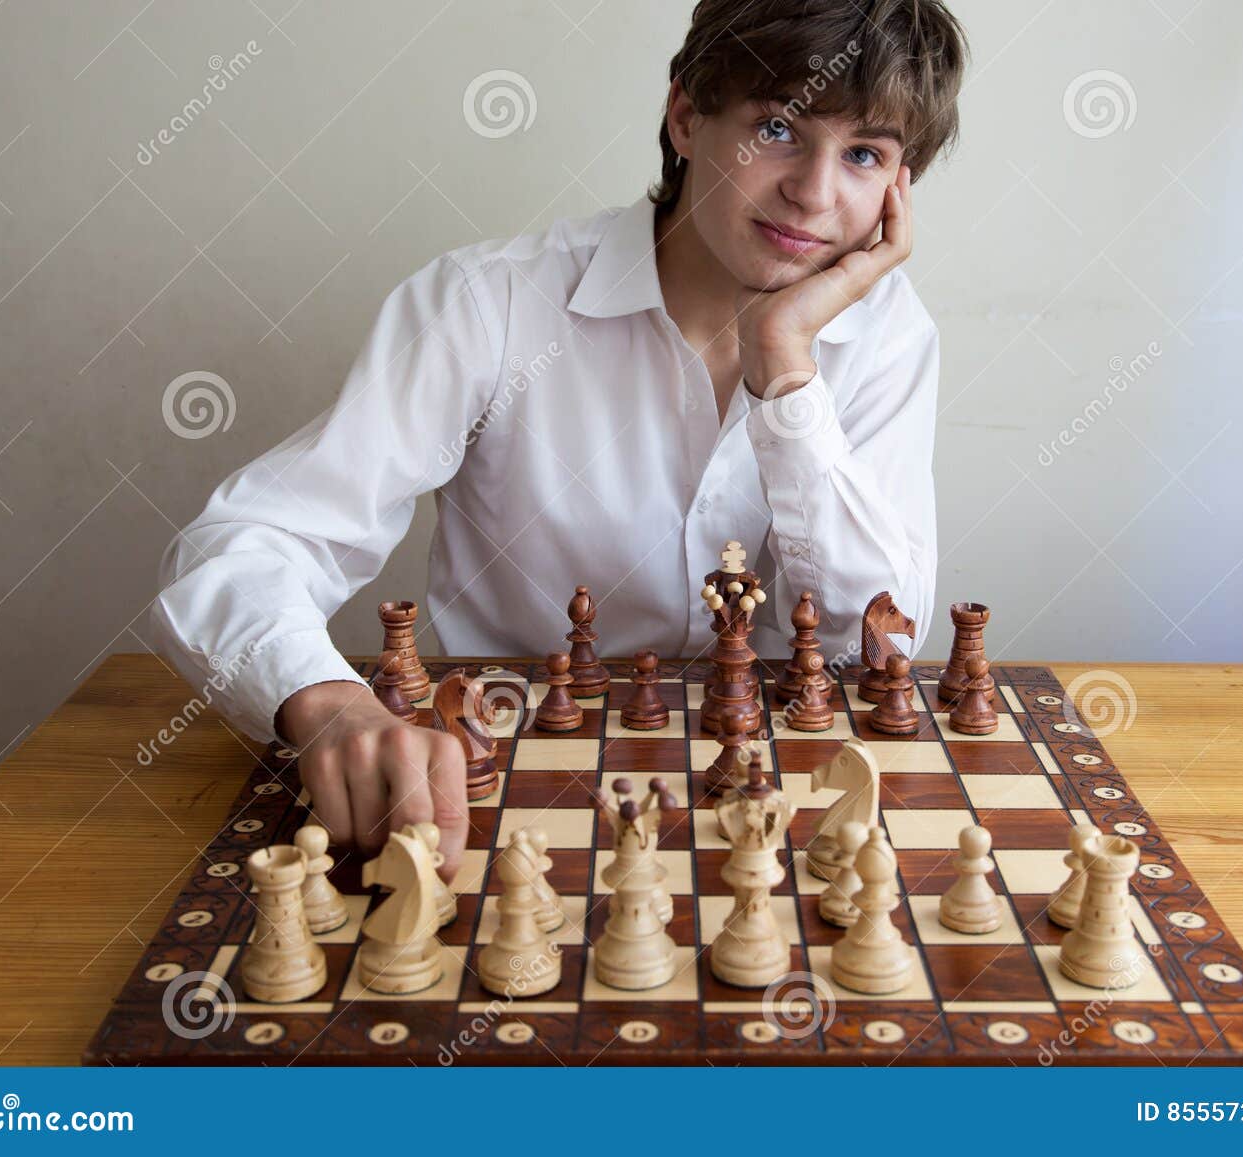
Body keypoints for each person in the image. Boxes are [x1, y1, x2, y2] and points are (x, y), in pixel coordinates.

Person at [152, 0, 968, 881]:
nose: (814, 193)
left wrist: (786, 369)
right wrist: (327, 705)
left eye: (863, 154)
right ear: (688, 117)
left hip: (774, 821)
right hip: (501, 795)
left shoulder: (886, 337)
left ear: (899, 184)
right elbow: (243, 548)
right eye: (777, 127)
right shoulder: (489, 304)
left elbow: (870, 644)